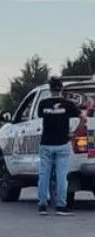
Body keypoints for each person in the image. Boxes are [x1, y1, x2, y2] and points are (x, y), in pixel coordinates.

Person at [37, 76, 87, 216]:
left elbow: (39, 115)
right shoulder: (68, 105)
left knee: (44, 175)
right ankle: (61, 205)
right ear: (61, 89)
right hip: (62, 143)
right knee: (61, 175)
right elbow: (82, 117)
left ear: (50, 89)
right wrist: (74, 133)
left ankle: (42, 205)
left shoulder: (43, 103)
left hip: (46, 143)